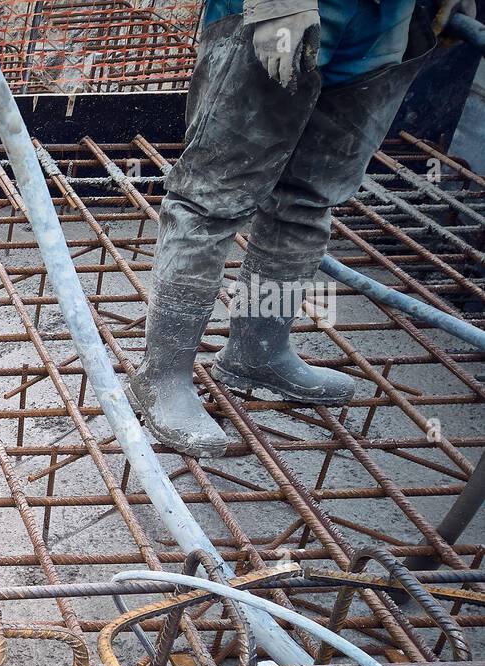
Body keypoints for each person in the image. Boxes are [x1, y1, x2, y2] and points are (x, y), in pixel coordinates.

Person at [127, 0, 475, 458]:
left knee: (308, 200)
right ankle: (163, 376)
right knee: (212, 199)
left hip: (387, 19)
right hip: (295, 8)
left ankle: (257, 351)